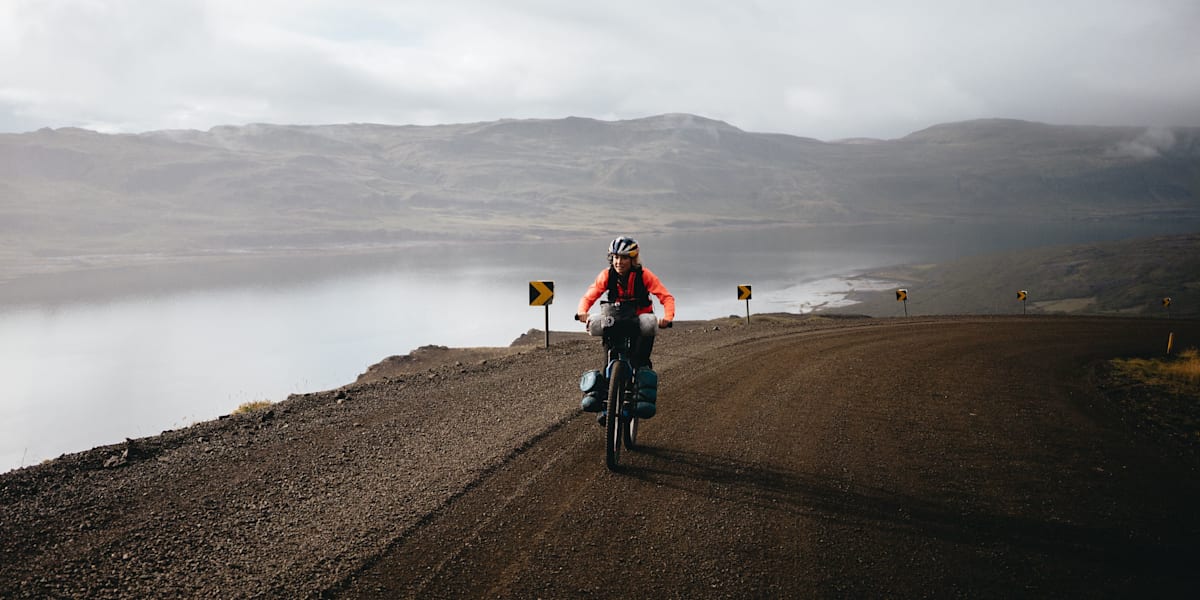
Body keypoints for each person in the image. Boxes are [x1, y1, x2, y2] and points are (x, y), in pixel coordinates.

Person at [575, 236, 675, 423]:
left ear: (633, 259)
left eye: (624, 258)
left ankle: (636, 398)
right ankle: (606, 406)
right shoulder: (607, 275)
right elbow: (590, 295)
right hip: (615, 320)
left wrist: (667, 318)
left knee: (640, 360)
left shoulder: (644, 276)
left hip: (639, 321)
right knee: (608, 360)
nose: (619, 262)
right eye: (615, 257)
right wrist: (582, 312)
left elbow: (666, 297)